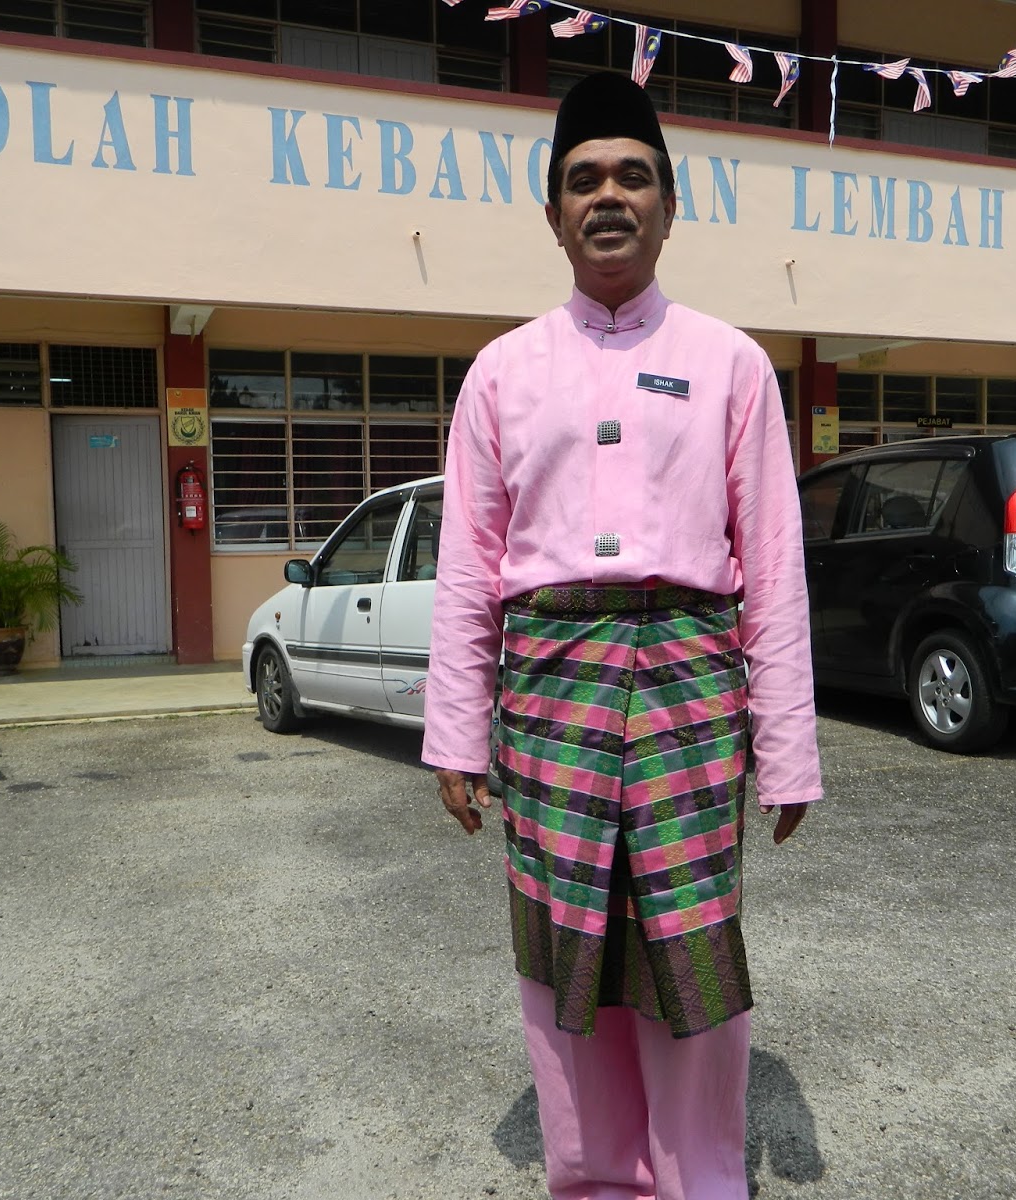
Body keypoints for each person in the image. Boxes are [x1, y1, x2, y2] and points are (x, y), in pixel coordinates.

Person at [422, 71, 822, 1200]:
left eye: (633, 176)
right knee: (568, 951)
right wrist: (455, 738)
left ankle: (702, 1177)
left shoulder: (732, 363)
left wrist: (785, 746)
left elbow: (775, 571)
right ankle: (593, 1177)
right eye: (583, 179)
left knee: (686, 944)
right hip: (549, 689)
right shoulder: (501, 372)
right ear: (552, 213)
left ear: (669, 203)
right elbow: (468, 571)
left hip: (692, 686)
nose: (609, 196)